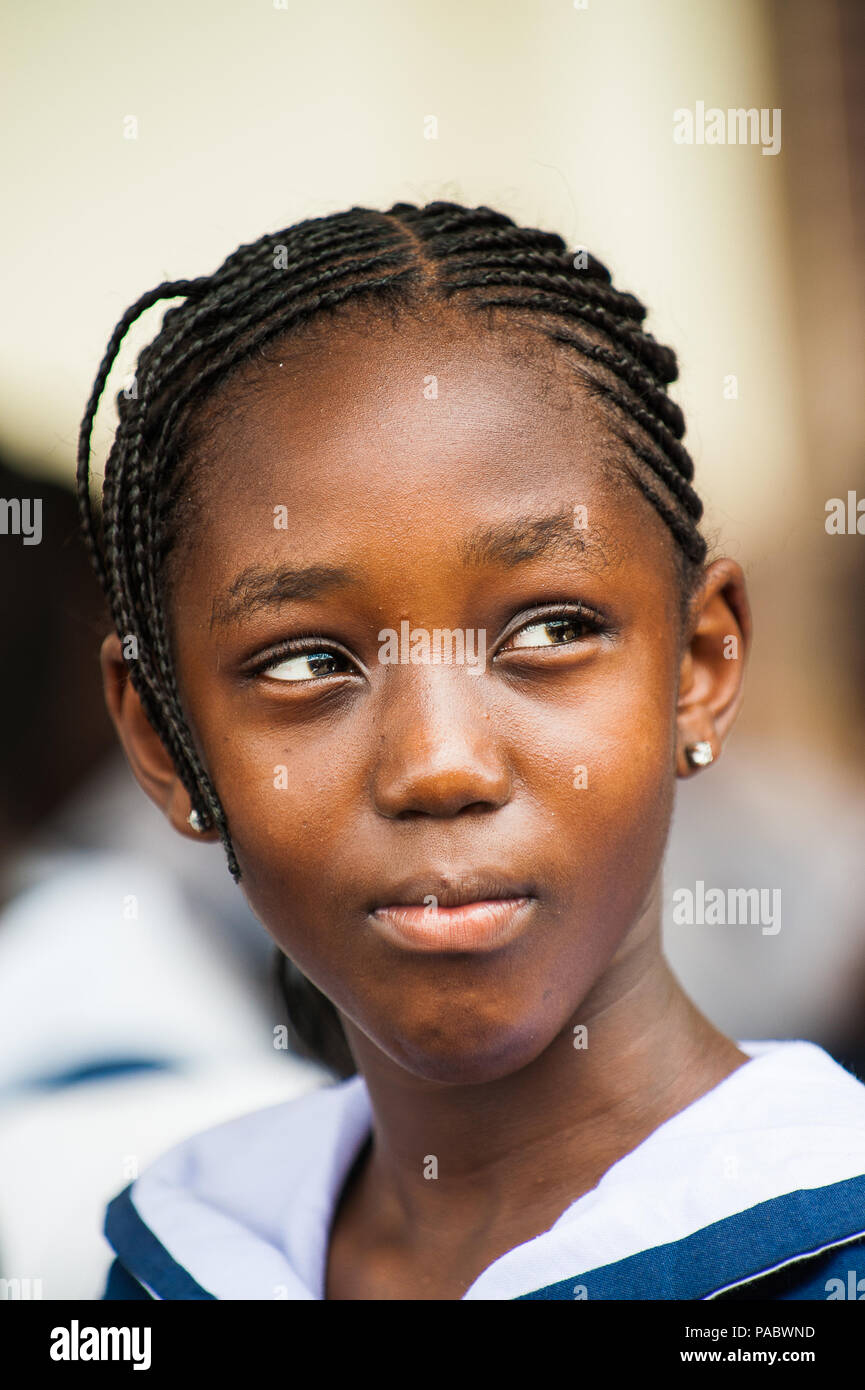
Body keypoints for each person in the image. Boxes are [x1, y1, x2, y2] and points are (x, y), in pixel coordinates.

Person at [78, 201, 865, 1300]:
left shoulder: (824, 1251)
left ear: (697, 667)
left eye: (550, 631)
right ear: (166, 740)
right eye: (308, 662)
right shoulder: (172, 1263)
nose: (440, 765)